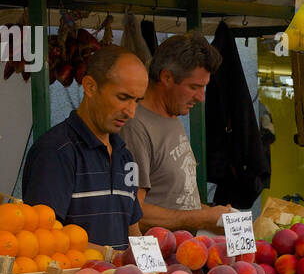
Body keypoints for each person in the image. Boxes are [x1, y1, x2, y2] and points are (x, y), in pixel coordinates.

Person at [22, 46, 147, 247]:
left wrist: (152, 271)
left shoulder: (125, 156)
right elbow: (43, 239)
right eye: (123, 98)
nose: (131, 112)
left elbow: (133, 230)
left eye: (137, 101)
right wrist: (110, 259)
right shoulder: (55, 153)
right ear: (90, 87)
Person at [121, 32, 229, 233]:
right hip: (157, 258)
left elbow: (176, 202)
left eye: (204, 87)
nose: (201, 97)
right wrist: (202, 218)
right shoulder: (135, 127)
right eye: (194, 87)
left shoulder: (172, 115)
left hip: (186, 255)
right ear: (166, 77)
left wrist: (214, 216)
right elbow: (132, 210)